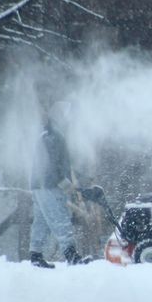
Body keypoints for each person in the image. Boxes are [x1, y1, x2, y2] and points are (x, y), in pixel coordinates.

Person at [28, 101, 91, 268]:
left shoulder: (48, 134)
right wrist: (64, 183)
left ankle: (35, 255)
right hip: (49, 185)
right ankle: (71, 255)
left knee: (41, 221)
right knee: (60, 218)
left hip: (39, 185)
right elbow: (51, 164)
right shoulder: (53, 136)